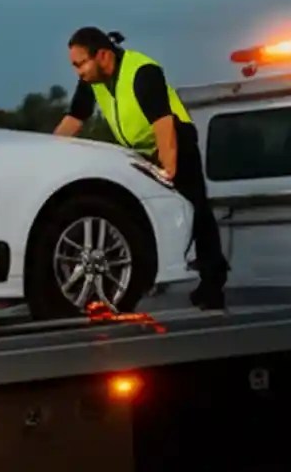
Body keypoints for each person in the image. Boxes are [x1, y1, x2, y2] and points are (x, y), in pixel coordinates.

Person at [53, 26, 229, 310]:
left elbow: (163, 122)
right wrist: (49, 153)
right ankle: (148, 276)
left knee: (194, 208)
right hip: (140, 150)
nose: (78, 72)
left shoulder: (142, 71)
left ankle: (213, 280)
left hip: (174, 141)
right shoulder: (92, 81)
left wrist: (169, 167)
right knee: (141, 210)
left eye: (80, 63)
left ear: (103, 56)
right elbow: (75, 118)